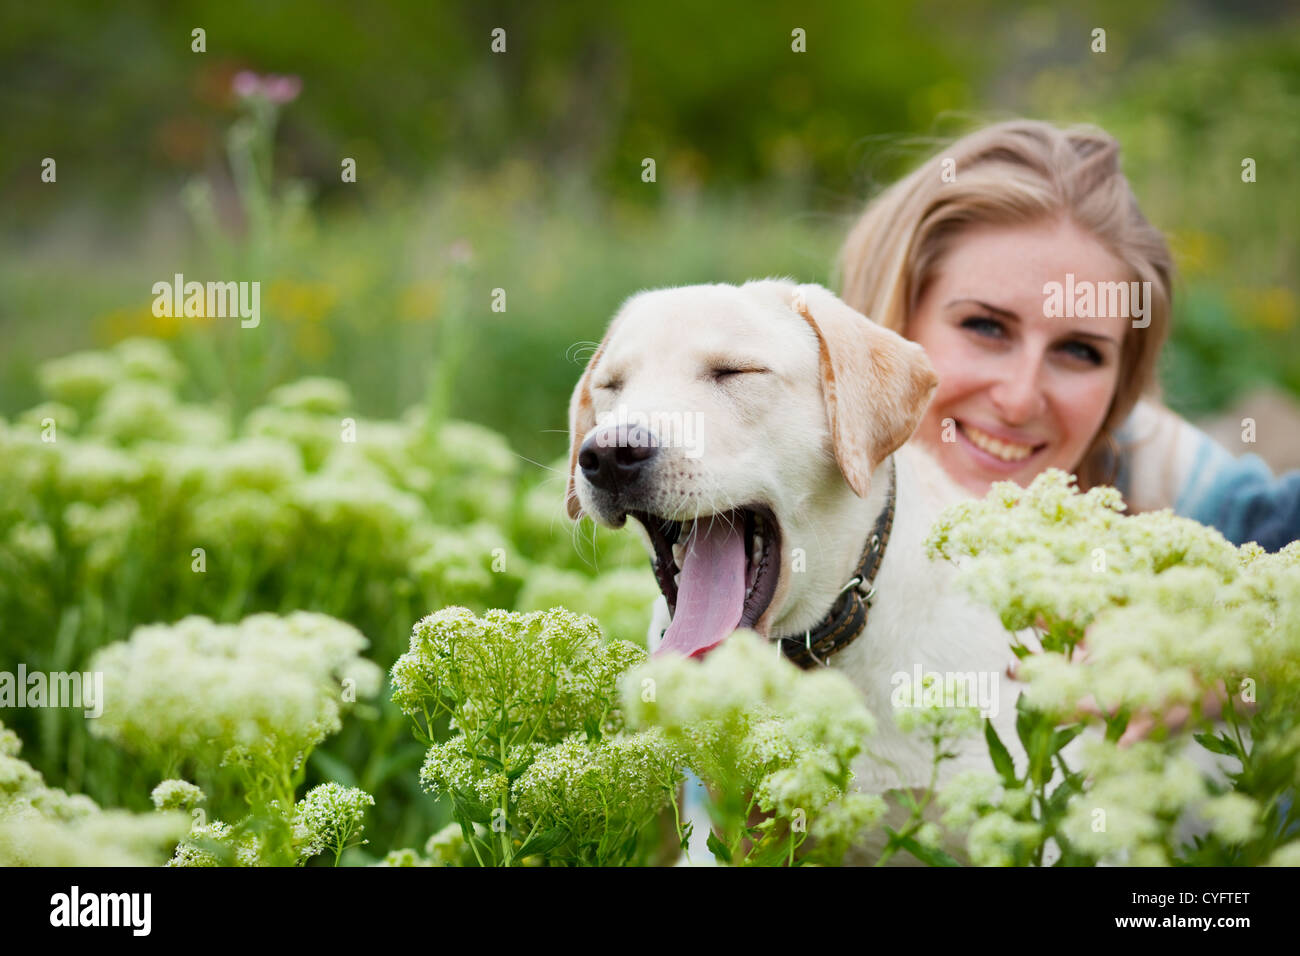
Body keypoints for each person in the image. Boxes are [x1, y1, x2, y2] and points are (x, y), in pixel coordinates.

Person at [834, 119, 1300, 550]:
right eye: (986, 327)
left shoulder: (1144, 465)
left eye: (1078, 351)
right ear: (892, 319)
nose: (1019, 401)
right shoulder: (784, 476)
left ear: (1122, 390)